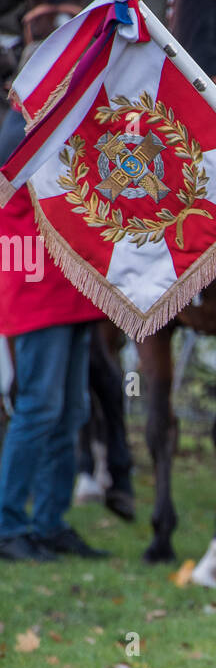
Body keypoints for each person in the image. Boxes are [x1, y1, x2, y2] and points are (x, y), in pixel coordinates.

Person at [0, 110, 107, 562]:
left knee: (70, 411)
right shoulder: (17, 130)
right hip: (36, 286)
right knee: (40, 408)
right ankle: (7, 525)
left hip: (71, 287)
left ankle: (48, 522)